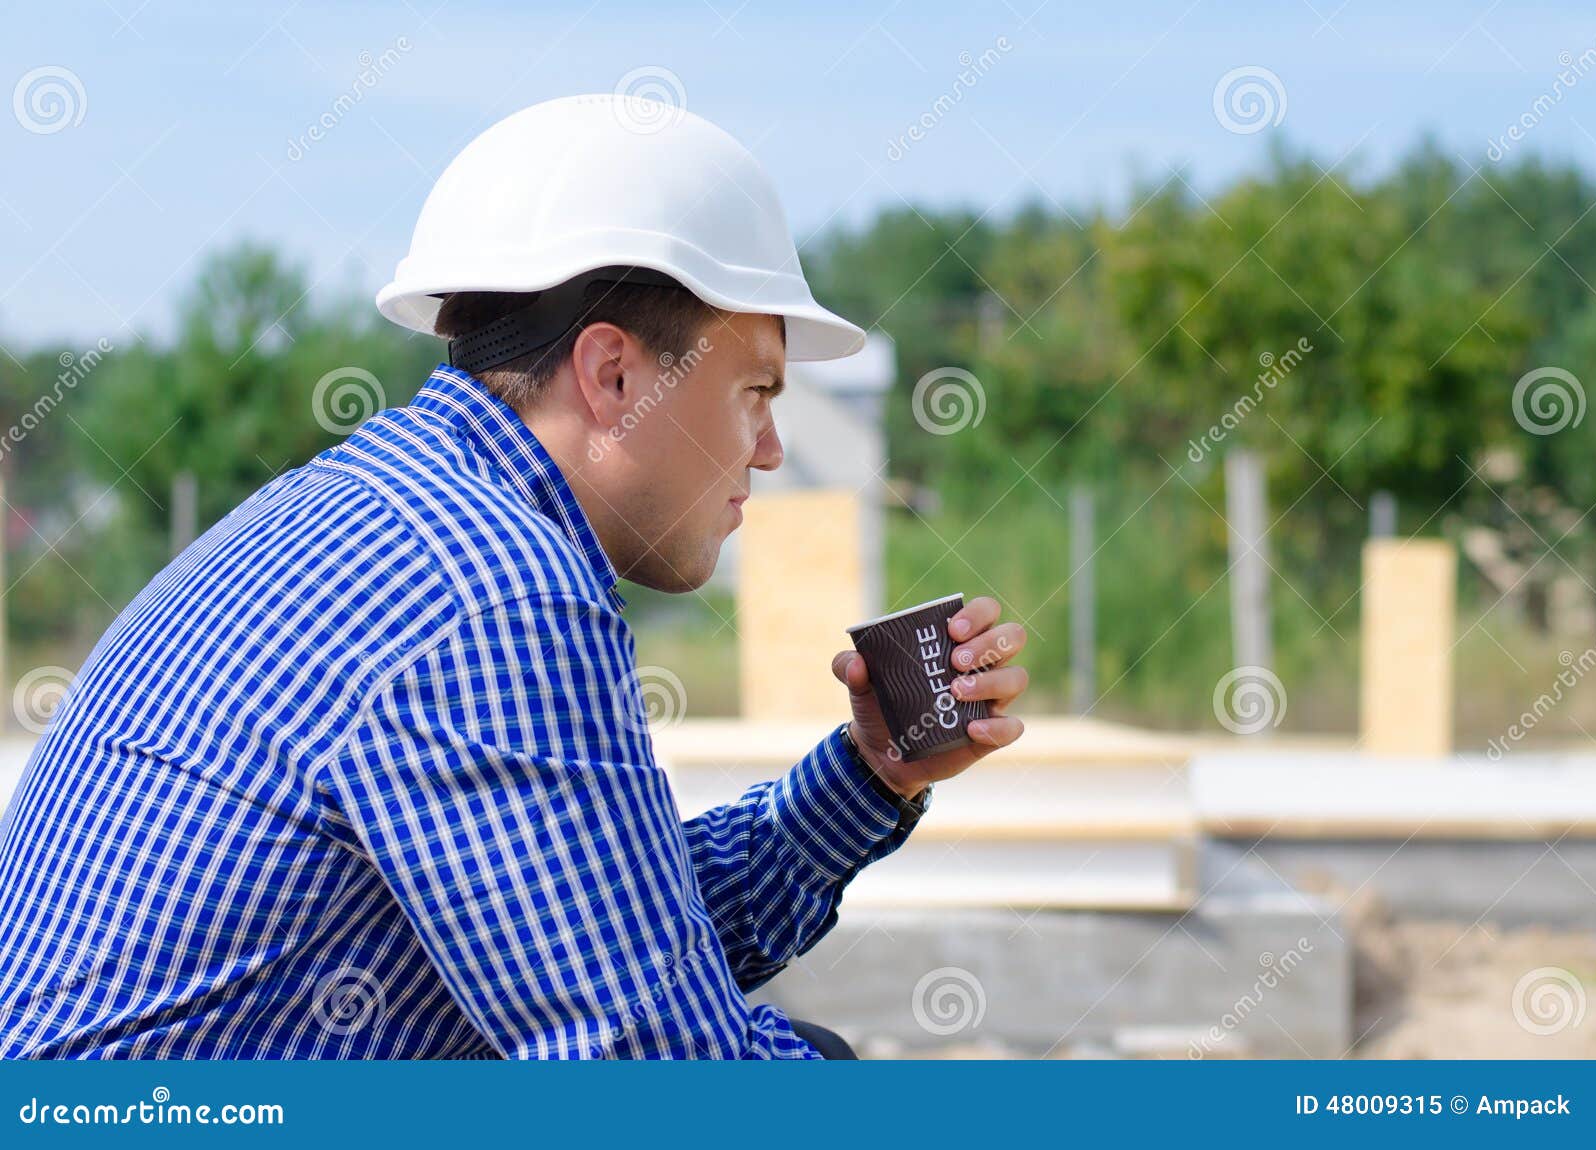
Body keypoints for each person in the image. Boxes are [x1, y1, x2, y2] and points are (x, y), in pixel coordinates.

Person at [0, 94, 1029, 1059]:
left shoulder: (376, 511)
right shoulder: (493, 589)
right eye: (753, 392)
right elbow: (653, 1062)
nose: (765, 449)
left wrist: (870, 773)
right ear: (614, 374)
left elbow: (604, 933)